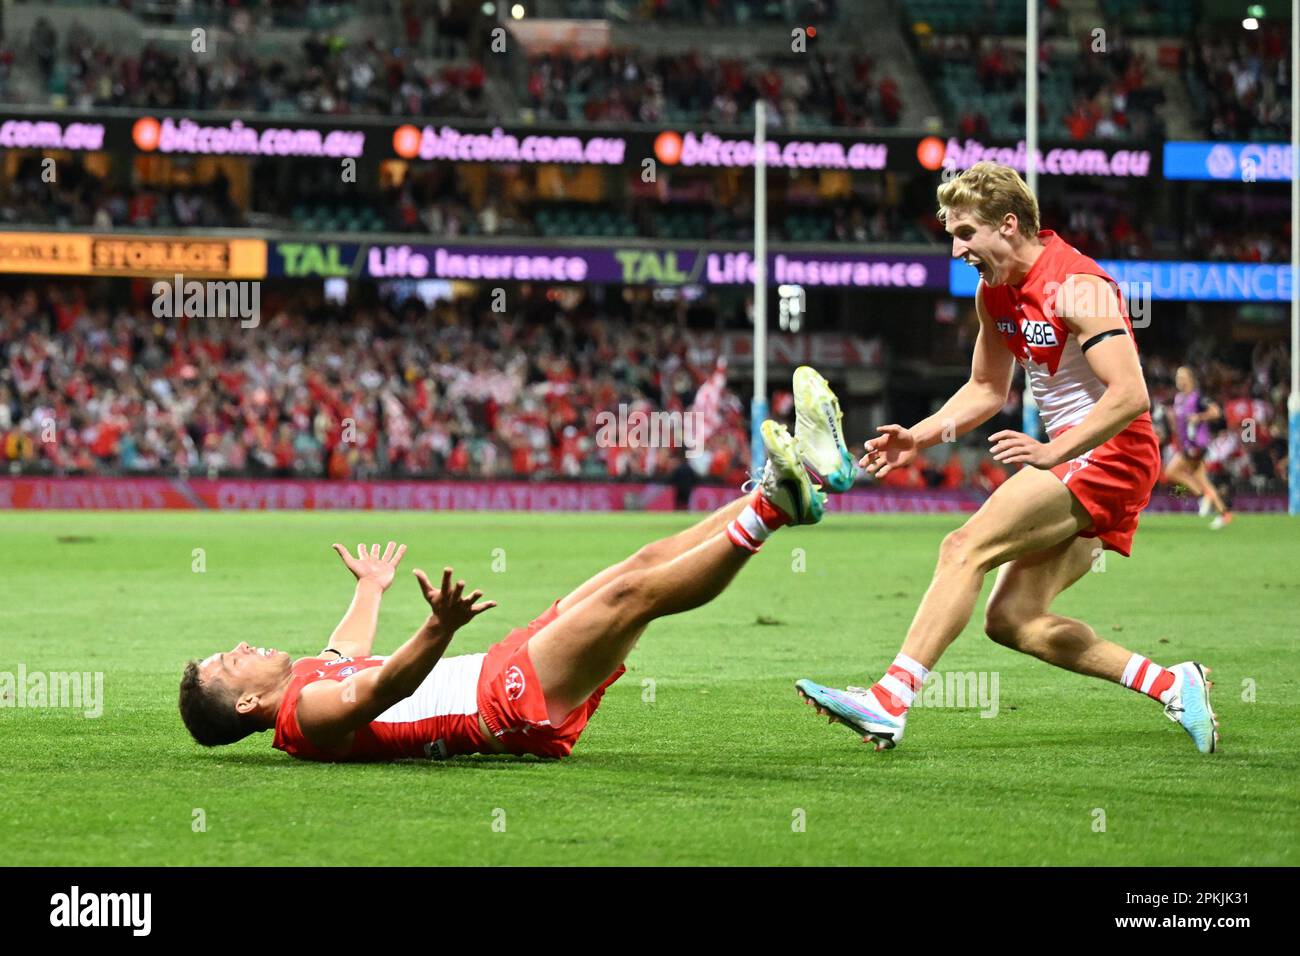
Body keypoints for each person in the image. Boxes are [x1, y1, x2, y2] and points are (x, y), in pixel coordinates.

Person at [792, 161, 1219, 755]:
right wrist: (918, 437)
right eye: (952, 235)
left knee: (963, 547)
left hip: (1111, 451)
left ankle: (888, 702)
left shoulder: (1078, 286)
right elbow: (988, 389)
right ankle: (1176, 685)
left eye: (965, 233)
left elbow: (1131, 395)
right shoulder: (993, 292)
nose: (957, 247)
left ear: (1009, 224)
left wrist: (1052, 450)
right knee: (1012, 619)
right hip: (1081, 457)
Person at [178, 420, 828, 762]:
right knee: (635, 597)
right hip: (506, 704)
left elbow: (345, 654)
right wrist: (438, 628)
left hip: (502, 673)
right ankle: (772, 511)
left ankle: (790, 484)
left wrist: (372, 589)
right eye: (230, 662)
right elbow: (384, 688)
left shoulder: (305, 689)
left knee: (643, 561)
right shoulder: (306, 718)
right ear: (248, 705)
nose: (239, 646)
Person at [1165, 365, 1233, 529]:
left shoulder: (1198, 397)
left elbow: (1216, 412)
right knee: (1202, 480)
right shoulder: (1179, 399)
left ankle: (1202, 496)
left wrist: (1199, 417)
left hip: (1196, 445)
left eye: (1182, 377)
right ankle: (1224, 514)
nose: (1178, 380)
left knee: (1170, 472)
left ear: (1190, 379)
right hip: (1185, 445)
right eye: (1177, 377)